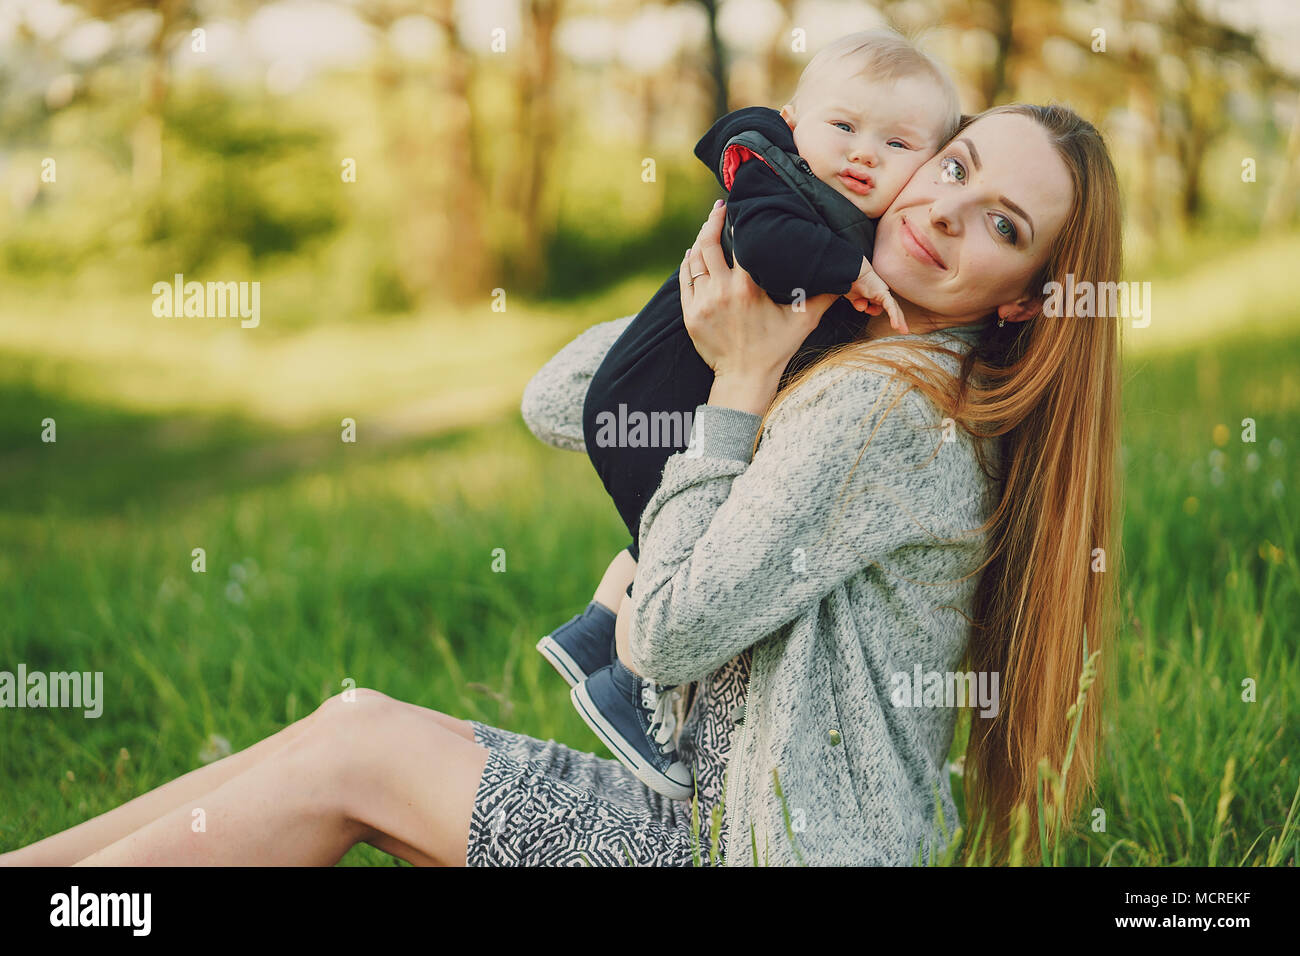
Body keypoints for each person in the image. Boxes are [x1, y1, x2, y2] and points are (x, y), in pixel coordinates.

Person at [0, 103, 1121, 867]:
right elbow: (560, 401)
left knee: (360, 752)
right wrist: (762, 252)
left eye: (1003, 226)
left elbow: (669, 634)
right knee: (355, 722)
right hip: (720, 828)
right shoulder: (855, 345)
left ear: (1023, 296)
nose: (943, 213)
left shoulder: (892, 408)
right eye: (958, 167)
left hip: (749, 854)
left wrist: (737, 379)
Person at [536, 29, 962, 799]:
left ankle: (597, 630)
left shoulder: (832, 200)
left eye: (896, 144)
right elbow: (765, 240)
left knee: (696, 520)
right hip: (652, 405)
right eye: (844, 127)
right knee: (700, 540)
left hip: (661, 397)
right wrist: (850, 271)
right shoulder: (779, 178)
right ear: (794, 122)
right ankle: (633, 687)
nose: (863, 153)